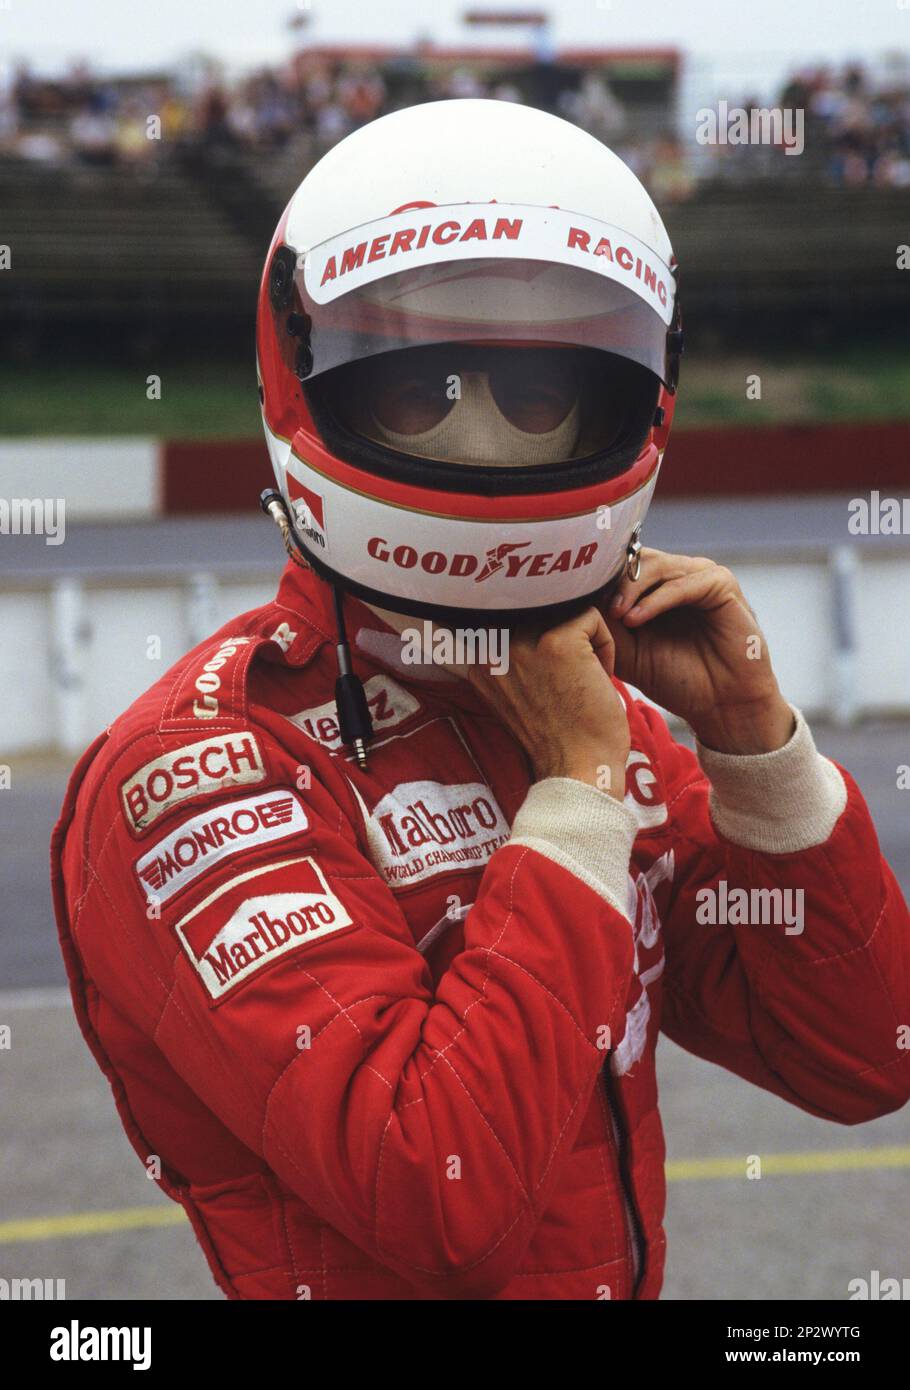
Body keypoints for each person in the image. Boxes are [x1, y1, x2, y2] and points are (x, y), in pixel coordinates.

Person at [52, 99, 910, 1301]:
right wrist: (575, 795)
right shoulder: (206, 764)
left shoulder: (596, 719)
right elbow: (437, 1192)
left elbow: (863, 1050)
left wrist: (754, 744)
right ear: (310, 379)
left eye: (538, 395)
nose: (485, 447)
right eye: (422, 393)